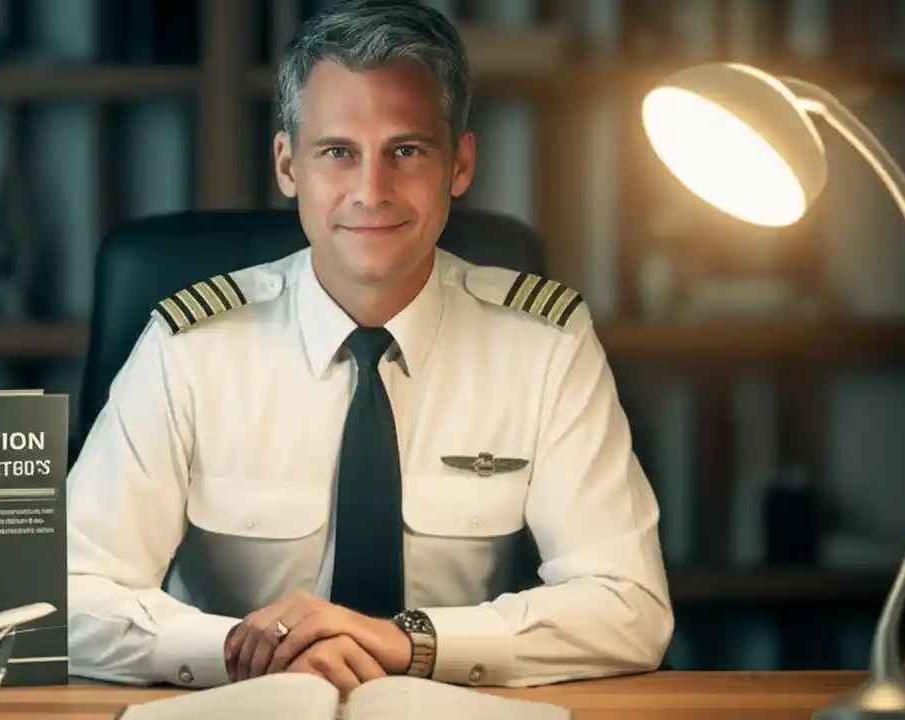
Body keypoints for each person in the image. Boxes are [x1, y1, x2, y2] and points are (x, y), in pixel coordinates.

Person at [65, 0, 672, 696]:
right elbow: (72, 594)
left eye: (405, 151)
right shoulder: (189, 348)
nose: (370, 191)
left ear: (461, 165)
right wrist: (243, 646)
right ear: (288, 164)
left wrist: (410, 642)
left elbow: (631, 607)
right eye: (337, 153)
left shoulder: (544, 346)